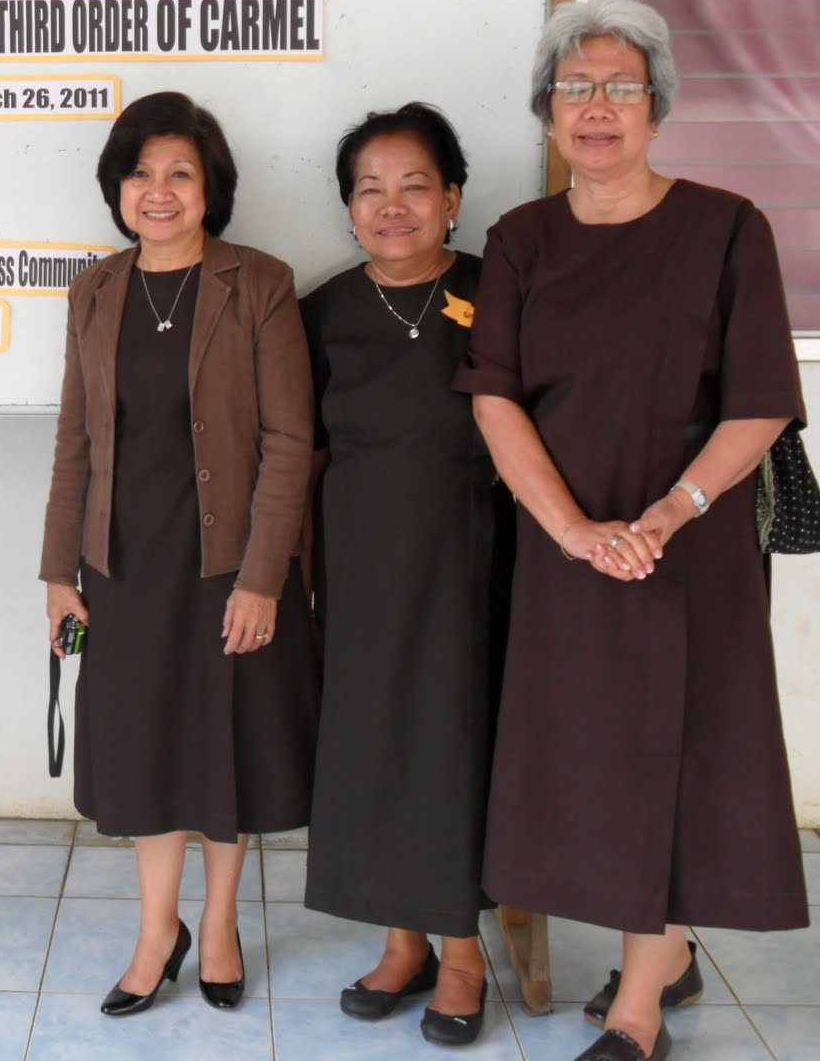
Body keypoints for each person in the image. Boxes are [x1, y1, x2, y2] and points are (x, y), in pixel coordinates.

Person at [455, 0, 808, 1061]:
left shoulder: (726, 226)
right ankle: (669, 949)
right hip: (565, 546)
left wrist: (663, 515)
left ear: (656, 108)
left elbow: (758, 402)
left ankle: (638, 1003)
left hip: (689, 544)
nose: (595, 107)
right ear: (546, 111)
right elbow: (494, 396)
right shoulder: (521, 238)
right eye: (574, 88)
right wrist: (568, 530)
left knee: (681, 754)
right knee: (590, 757)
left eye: (618, 87)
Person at [40, 91, 317, 1016]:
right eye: (141, 174)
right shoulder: (94, 289)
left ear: (212, 187)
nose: (158, 191)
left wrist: (263, 578)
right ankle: (158, 931)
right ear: (118, 188)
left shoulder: (259, 283)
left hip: (225, 564)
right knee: (142, 752)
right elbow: (74, 439)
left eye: (180, 173)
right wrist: (57, 575)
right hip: (121, 567)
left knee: (221, 750)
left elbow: (290, 443)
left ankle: (223, 921)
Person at [301, 103, 513, 1048]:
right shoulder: (321, 313)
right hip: (358, 564)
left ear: (453, 198)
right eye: (370, 189)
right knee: (371, 744)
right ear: (349, 208)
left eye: (414, 184)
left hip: (474, 563)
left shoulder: (502, 293)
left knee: (452, 745)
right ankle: (403, 941)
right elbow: (293, 450)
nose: (392, 206)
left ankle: (462, 951)